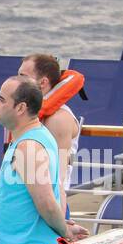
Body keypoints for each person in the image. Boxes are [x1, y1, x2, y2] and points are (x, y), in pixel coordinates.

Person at [0, 76, 87, 244]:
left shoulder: (29, 146)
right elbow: (57, 187)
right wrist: (62, 224)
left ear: (20, 108)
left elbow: (47, 202)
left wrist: (64, 231)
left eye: (2, 100)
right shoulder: (36, 137)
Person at [19, 53, 81, 192]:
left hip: (45, 200)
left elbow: (59, 175)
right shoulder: (27, 112)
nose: (17, 81)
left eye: (23, 76)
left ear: (43, 82)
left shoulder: (58, 118)